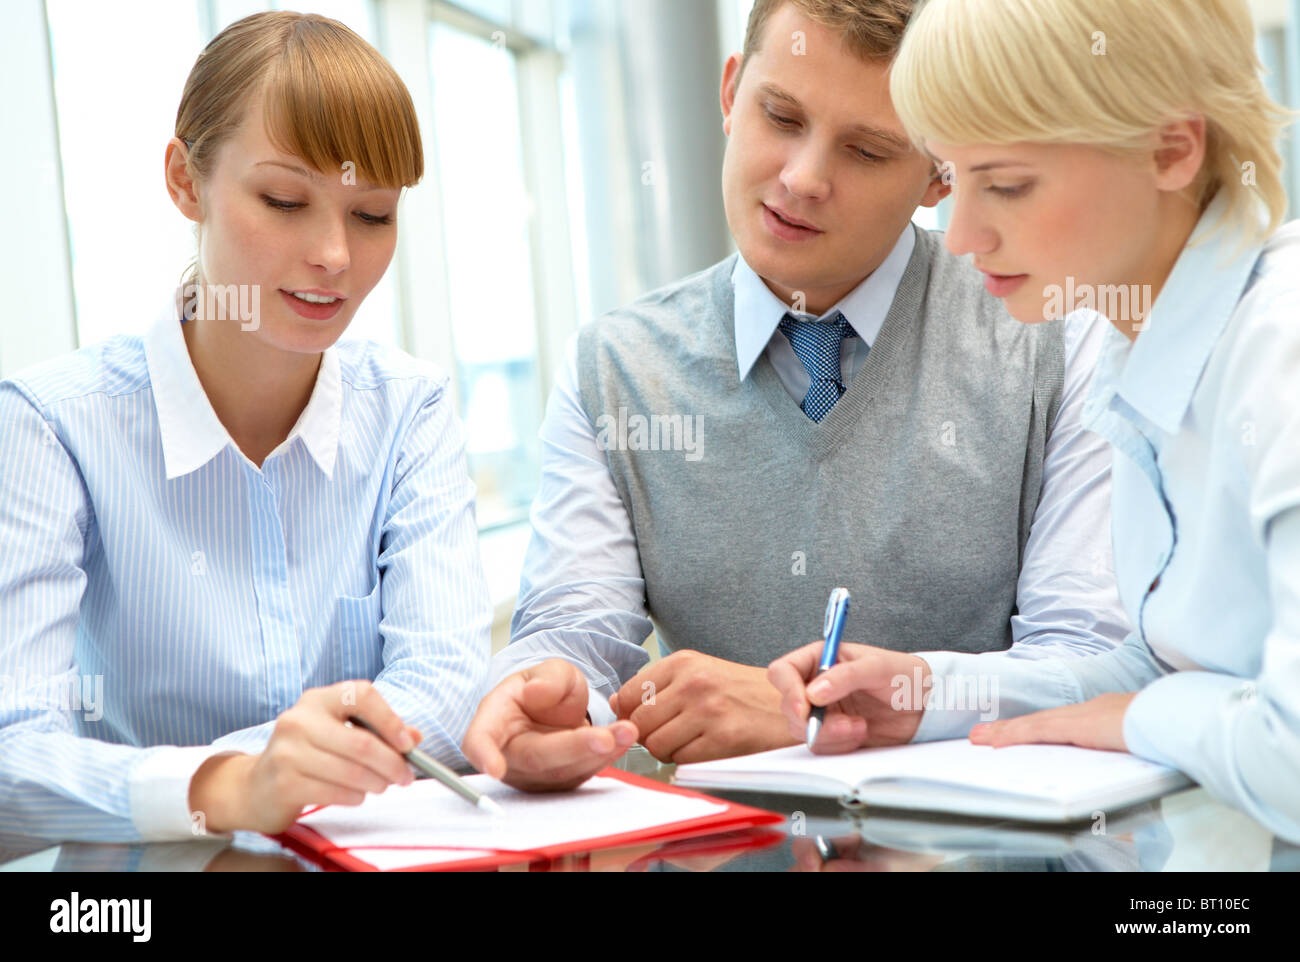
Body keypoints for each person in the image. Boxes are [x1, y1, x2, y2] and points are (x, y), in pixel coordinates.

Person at [463, 0, 1130, 791]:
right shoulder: (616, 369)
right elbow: (572, 634)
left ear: (939, 174)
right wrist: (544, 699)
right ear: (730, 93)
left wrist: (830, 715)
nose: (803, 178)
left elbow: (1093, 665)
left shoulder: (1059, 338)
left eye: (868, 150)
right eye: (780, 115)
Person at [770, 0, 1300, 841]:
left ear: (1171, 149)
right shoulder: (1143, 351)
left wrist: (1145, 715)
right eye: (952, 178)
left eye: (1007, 184)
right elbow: (1164, 664)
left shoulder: (1282, 351)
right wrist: (924, 695)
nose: (962, 235)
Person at [0, 11, 491, 842]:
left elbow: (443, 687)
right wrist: (231, 786)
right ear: (185, 180)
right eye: (284, 199)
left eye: (372, 215)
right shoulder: (54, 427)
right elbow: (14, 763)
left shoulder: (411, 410)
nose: (335, 254)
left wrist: (272, 776)